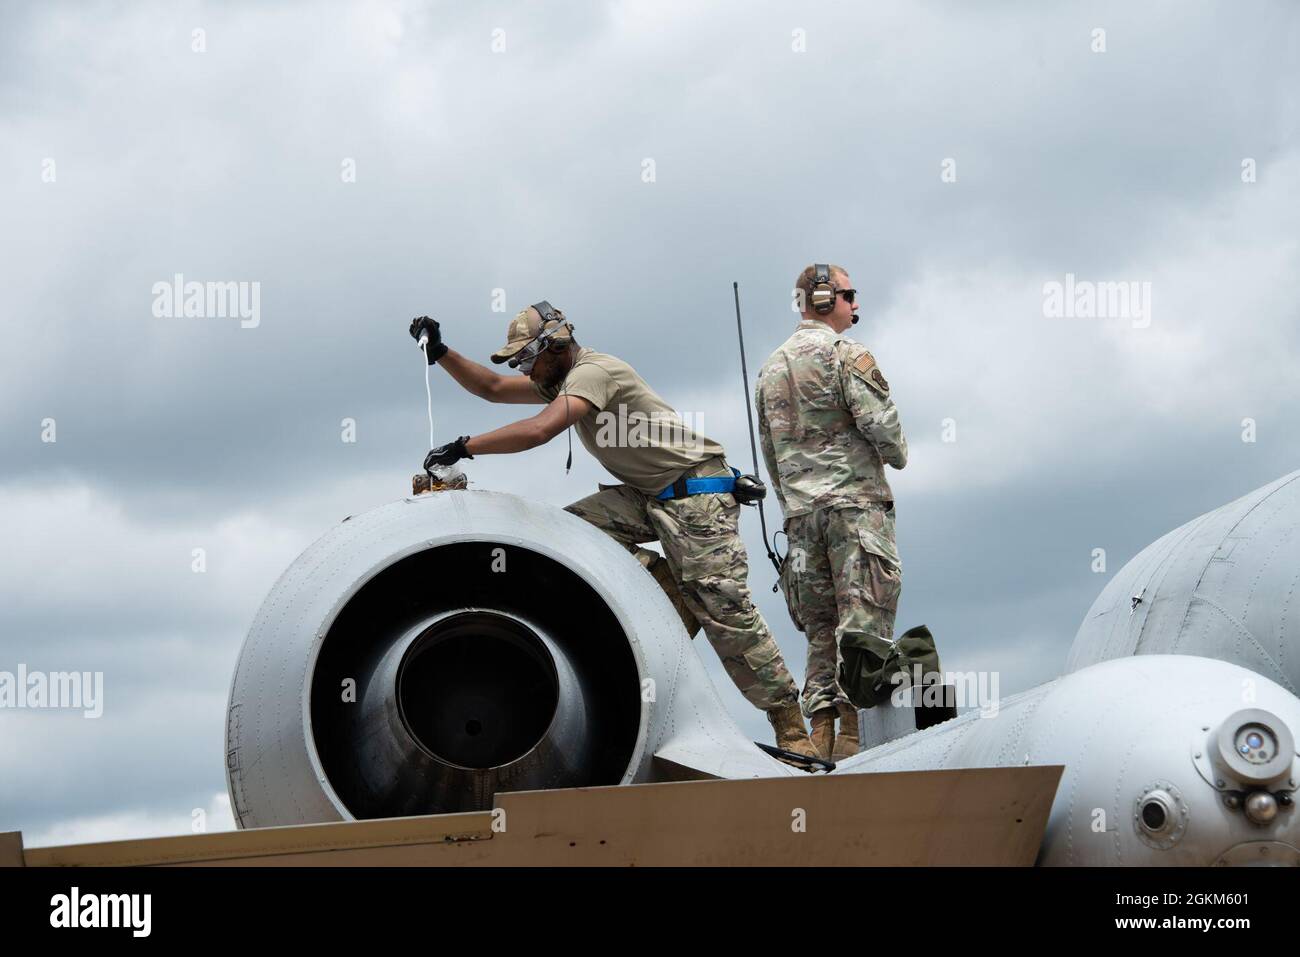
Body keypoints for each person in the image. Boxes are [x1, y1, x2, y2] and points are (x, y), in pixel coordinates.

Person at [409, 304, 818, 763]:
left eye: (527, 359)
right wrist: (441, 352)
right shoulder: (565, 380)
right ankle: (666, 586)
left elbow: (541, 431)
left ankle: (790, 725)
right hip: (650, 496)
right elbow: (492, 387)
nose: (525, 371)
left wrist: (465, 448)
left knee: (725, 611)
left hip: (696, 497)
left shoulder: (594, 372)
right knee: (568, 535)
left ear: (554, 346)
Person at [756, 264, 942, 762]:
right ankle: (858, 739)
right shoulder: (847, 355)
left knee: (819, 630)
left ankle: (820, 736)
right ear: (824, 299)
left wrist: (796, 502)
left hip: (800, 519)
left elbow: (771, 457)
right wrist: (895, 452)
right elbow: (889, 437)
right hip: (855, 513)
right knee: (861, 625)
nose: (856, 306)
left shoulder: (771, 368)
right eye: (850, 295)